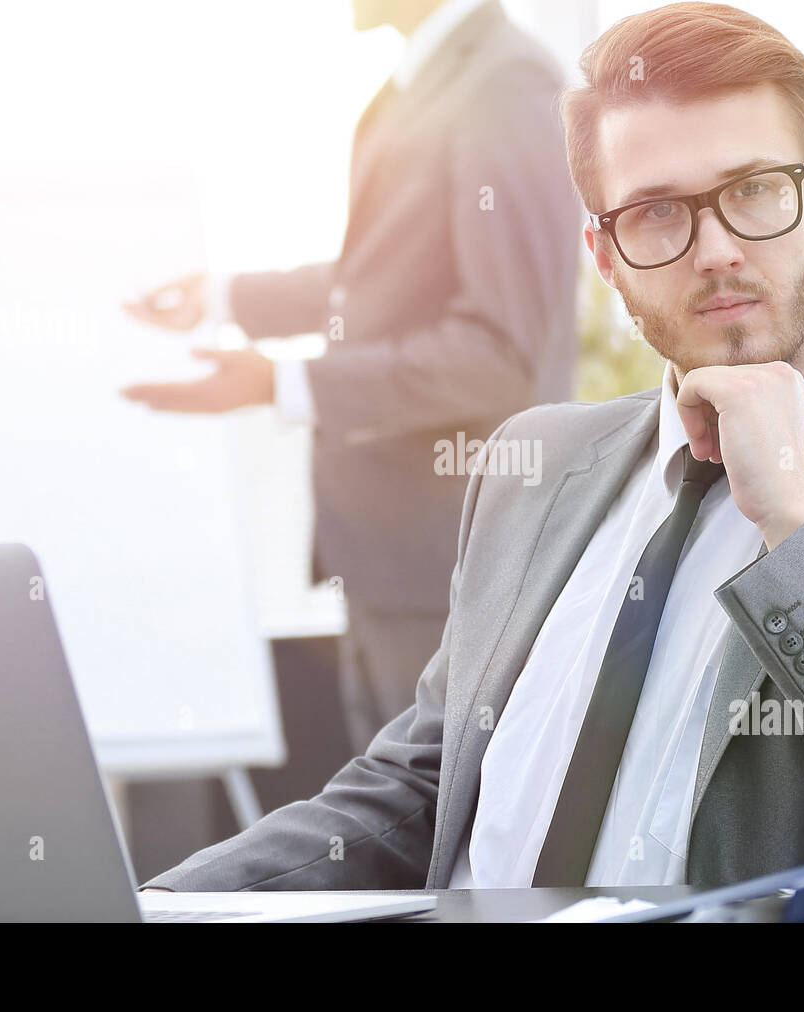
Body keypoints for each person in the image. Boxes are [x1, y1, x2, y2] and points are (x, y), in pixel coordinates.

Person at [141, 2, 804, 892]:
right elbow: (417, 788)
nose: (715, 247)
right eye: (656, 213)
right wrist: (149, 907)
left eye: (757, 189)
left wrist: (796, 523)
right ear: (603, 254)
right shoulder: (535, 468)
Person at [121, 0, 579, 754]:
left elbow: (502, 355)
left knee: (437, 843)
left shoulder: (506, 84)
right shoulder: (427, 79)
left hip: (451, 565)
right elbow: (382, 278)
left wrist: (283, 384)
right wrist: (224, 297)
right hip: (388, 566)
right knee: (397, 840)